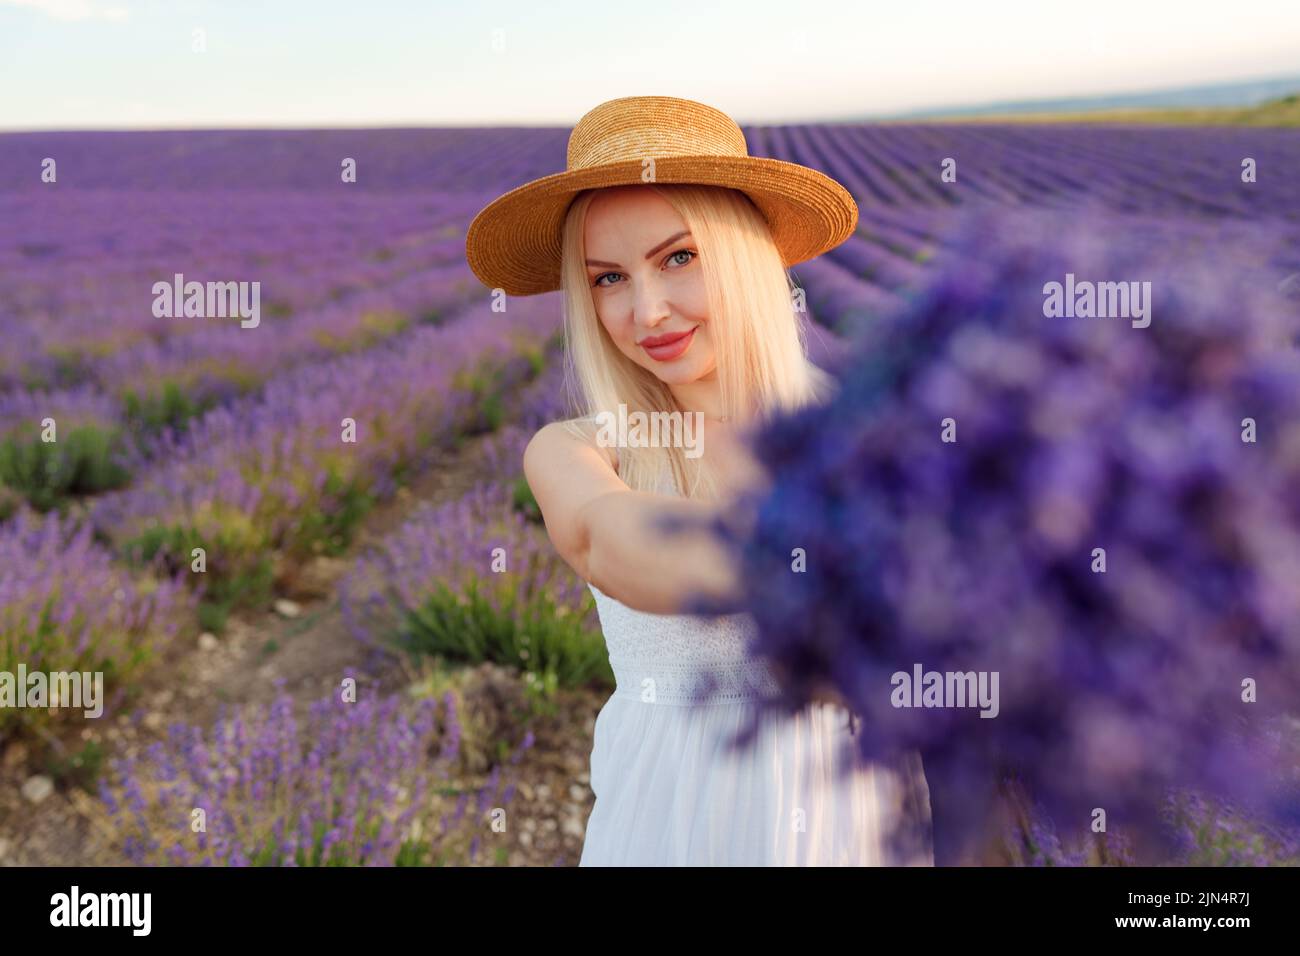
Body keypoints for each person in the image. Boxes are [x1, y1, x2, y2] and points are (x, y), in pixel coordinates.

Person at [466, 95, 933, 866]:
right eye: (609, 278)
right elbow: (610, 545)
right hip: (672, 824)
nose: (647, 311)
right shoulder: (580, 449)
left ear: (745, 252)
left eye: (678, 257)